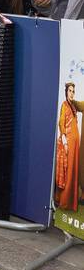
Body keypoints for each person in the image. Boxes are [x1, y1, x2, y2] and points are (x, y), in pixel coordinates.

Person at [55, 83, 84, 211]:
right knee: (68, 172)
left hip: (75, 145)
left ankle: (73, 201)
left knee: (74, 171)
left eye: (73, 91)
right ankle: (65, 202)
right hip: (69, 145)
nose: (71, 93)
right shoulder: (64, 105)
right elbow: (61, 124)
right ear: (66, 92)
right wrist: (65, 141)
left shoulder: (73, 106)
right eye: (70, 91)